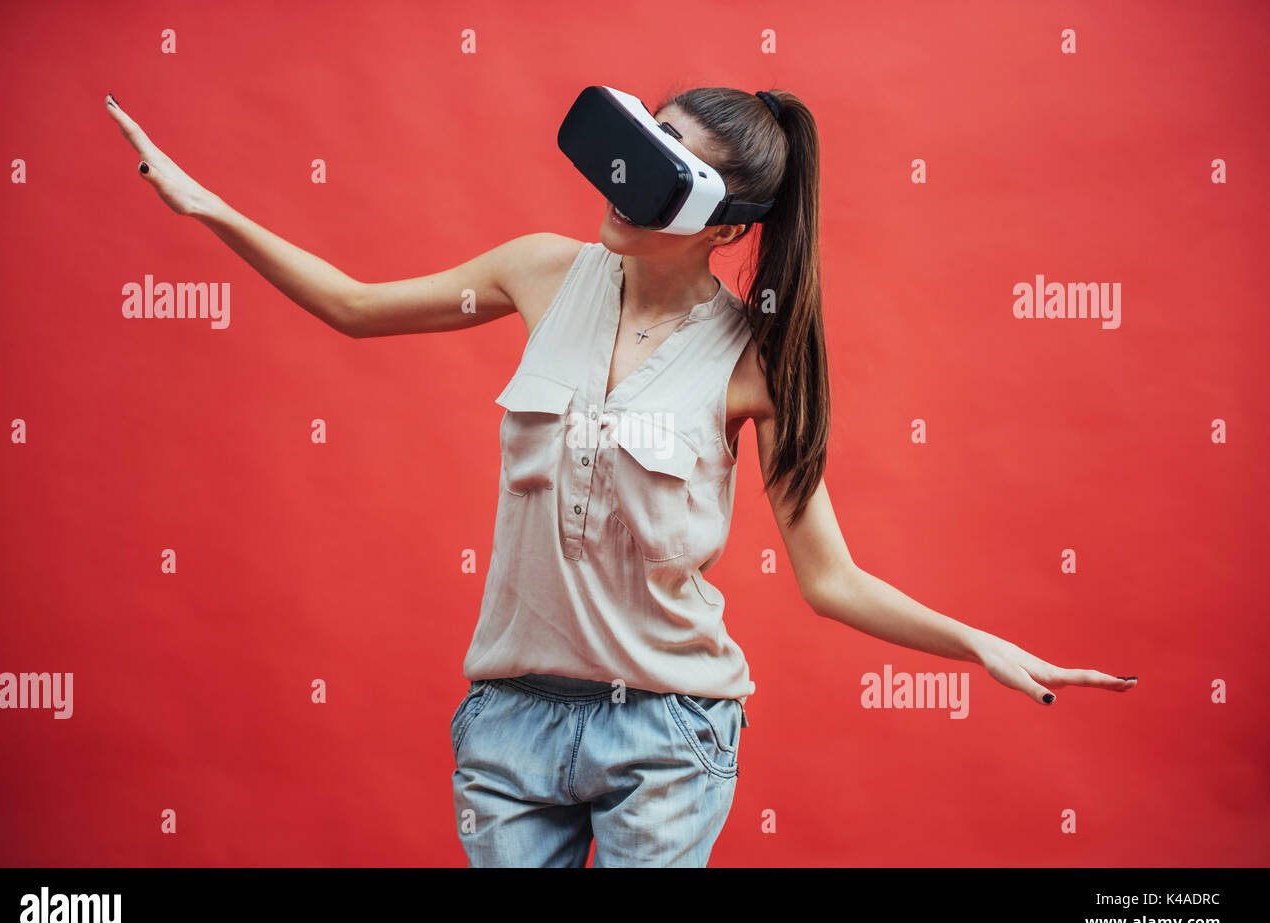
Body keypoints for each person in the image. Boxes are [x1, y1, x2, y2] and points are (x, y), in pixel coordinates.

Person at [105, 86, 1138, 868]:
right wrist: (207, 210)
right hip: (508, 719)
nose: (621, 170)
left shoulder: (750, 366)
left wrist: (977, 644)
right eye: (639, 133)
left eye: (664, 161)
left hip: (667, 730)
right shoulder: (539, 271)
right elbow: (355, 307)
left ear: (726, 226)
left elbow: (829, 579)